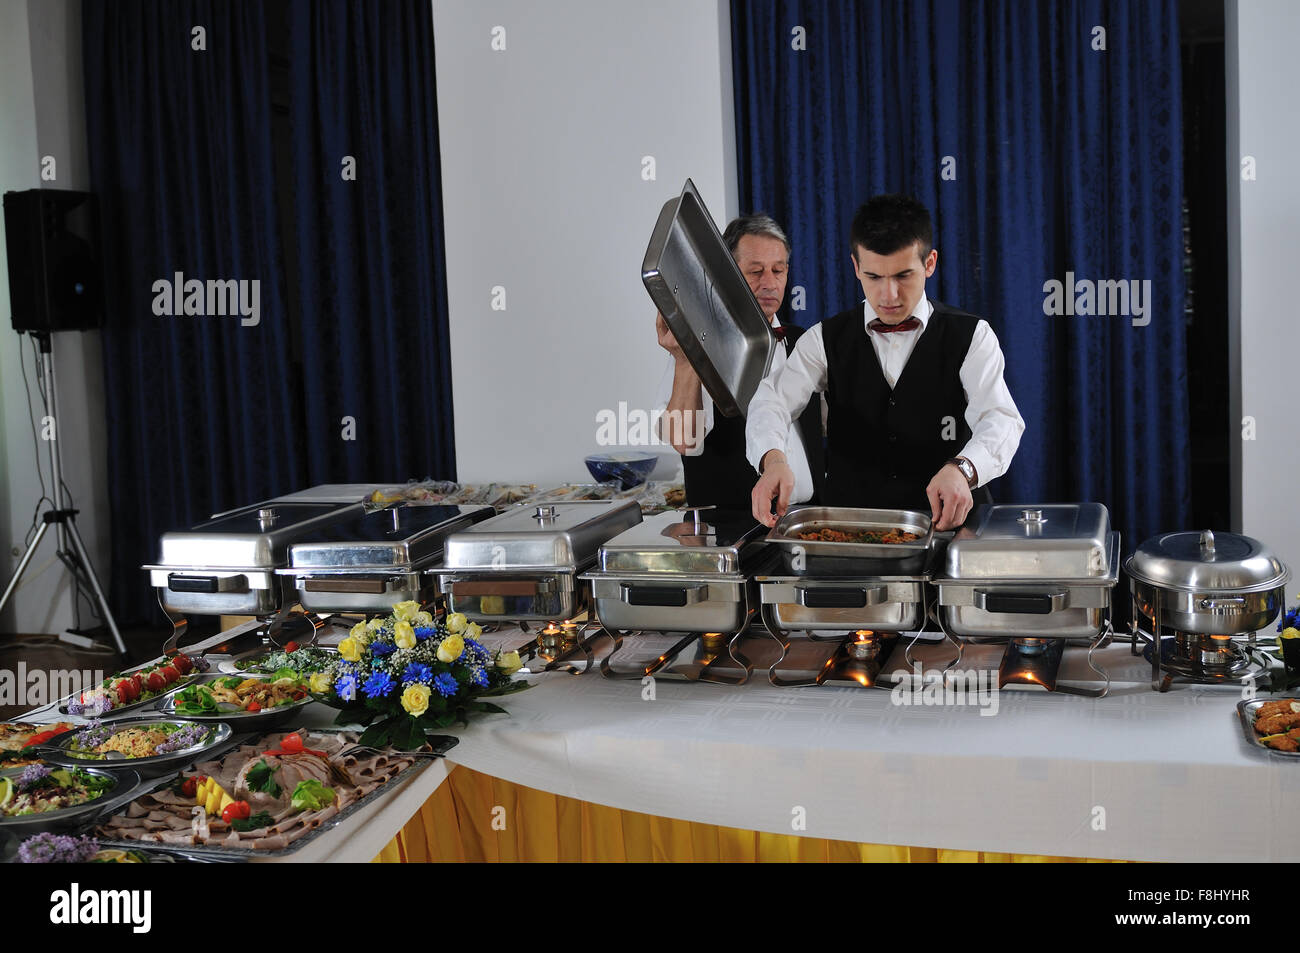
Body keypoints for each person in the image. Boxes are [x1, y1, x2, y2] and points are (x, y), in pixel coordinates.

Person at [747, 194, 1024, 530]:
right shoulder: (823, 339)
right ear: (855, 267)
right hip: (852, 533)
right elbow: (771, 400)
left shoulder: (973, 335)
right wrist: (773, 460)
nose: (889, 295)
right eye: (874, 277)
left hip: (951, 530)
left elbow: (1001, 419)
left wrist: (963, 469)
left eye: (903, 276)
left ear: (930, 263)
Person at [654, 214, 825, 511]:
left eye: (778, 270)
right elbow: (683, 440)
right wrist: (686, 359)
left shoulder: (803, 341)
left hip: (805, 521)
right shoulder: (701, 346)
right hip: (730, 531)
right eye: (755, 271)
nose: (769, 283)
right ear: (728, 274)